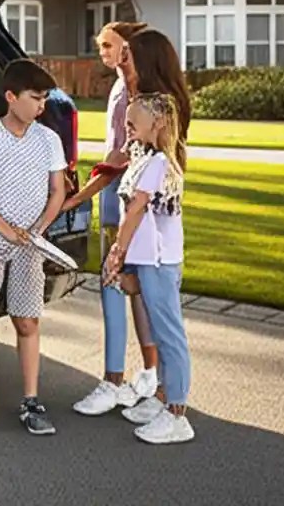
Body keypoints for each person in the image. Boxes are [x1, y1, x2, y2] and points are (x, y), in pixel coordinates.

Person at [0, 59, 66, 436]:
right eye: (35, 98)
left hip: (29, 245)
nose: (42, 106)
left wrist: (39, 227)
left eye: (45, 99)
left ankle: (31, 400)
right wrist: (4, 228)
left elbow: (58, 191)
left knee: (27, 319)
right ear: (11, 97)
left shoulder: (48, 139)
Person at [68, 22, 160, 417]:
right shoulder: (120, 88)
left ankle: (114, 382)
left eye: (110, 45)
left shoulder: (142, 95)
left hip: (129, 202)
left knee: (119, 285)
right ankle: (151, 378)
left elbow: (120, 158)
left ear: (129, 46)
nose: (104, 51)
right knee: (132, 288)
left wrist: (74, 199)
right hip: (115, 199)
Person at [102, 92, 194, 444]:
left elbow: (137, 209)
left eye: (132, 123)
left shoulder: (158, 163)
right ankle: (163, 400)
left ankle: (177, 414)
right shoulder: (148, 159)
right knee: (161, 331)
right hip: (148, 262)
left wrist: (117, 251)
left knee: (170, 336)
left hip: (159, 262)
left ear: (156, 123)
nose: (127, 128)